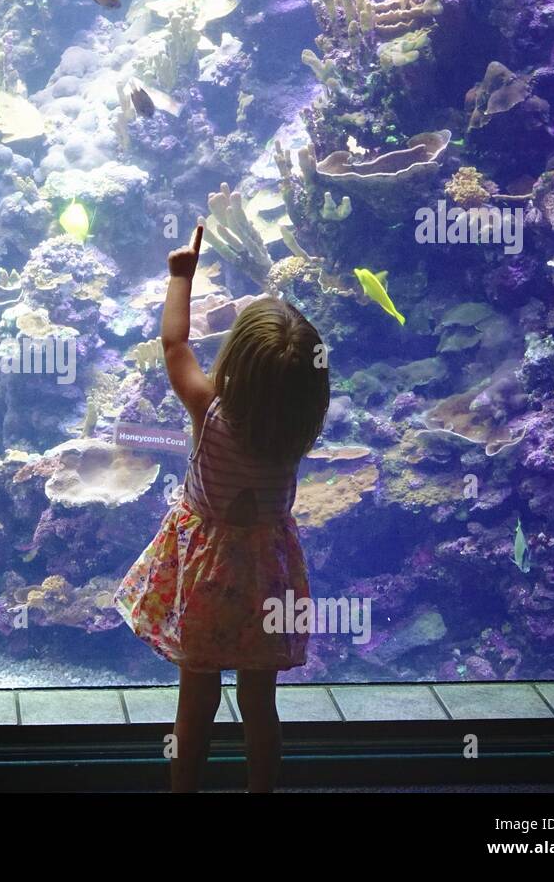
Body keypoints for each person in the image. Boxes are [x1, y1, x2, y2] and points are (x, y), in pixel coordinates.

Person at [115, 223, 330, 792]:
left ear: (233, 360)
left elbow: (174, 345)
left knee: (196, 704)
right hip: (268, 580)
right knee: (260, 707)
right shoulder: (296, 432)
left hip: (208, 579)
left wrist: (180, 277)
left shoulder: (209, 412)